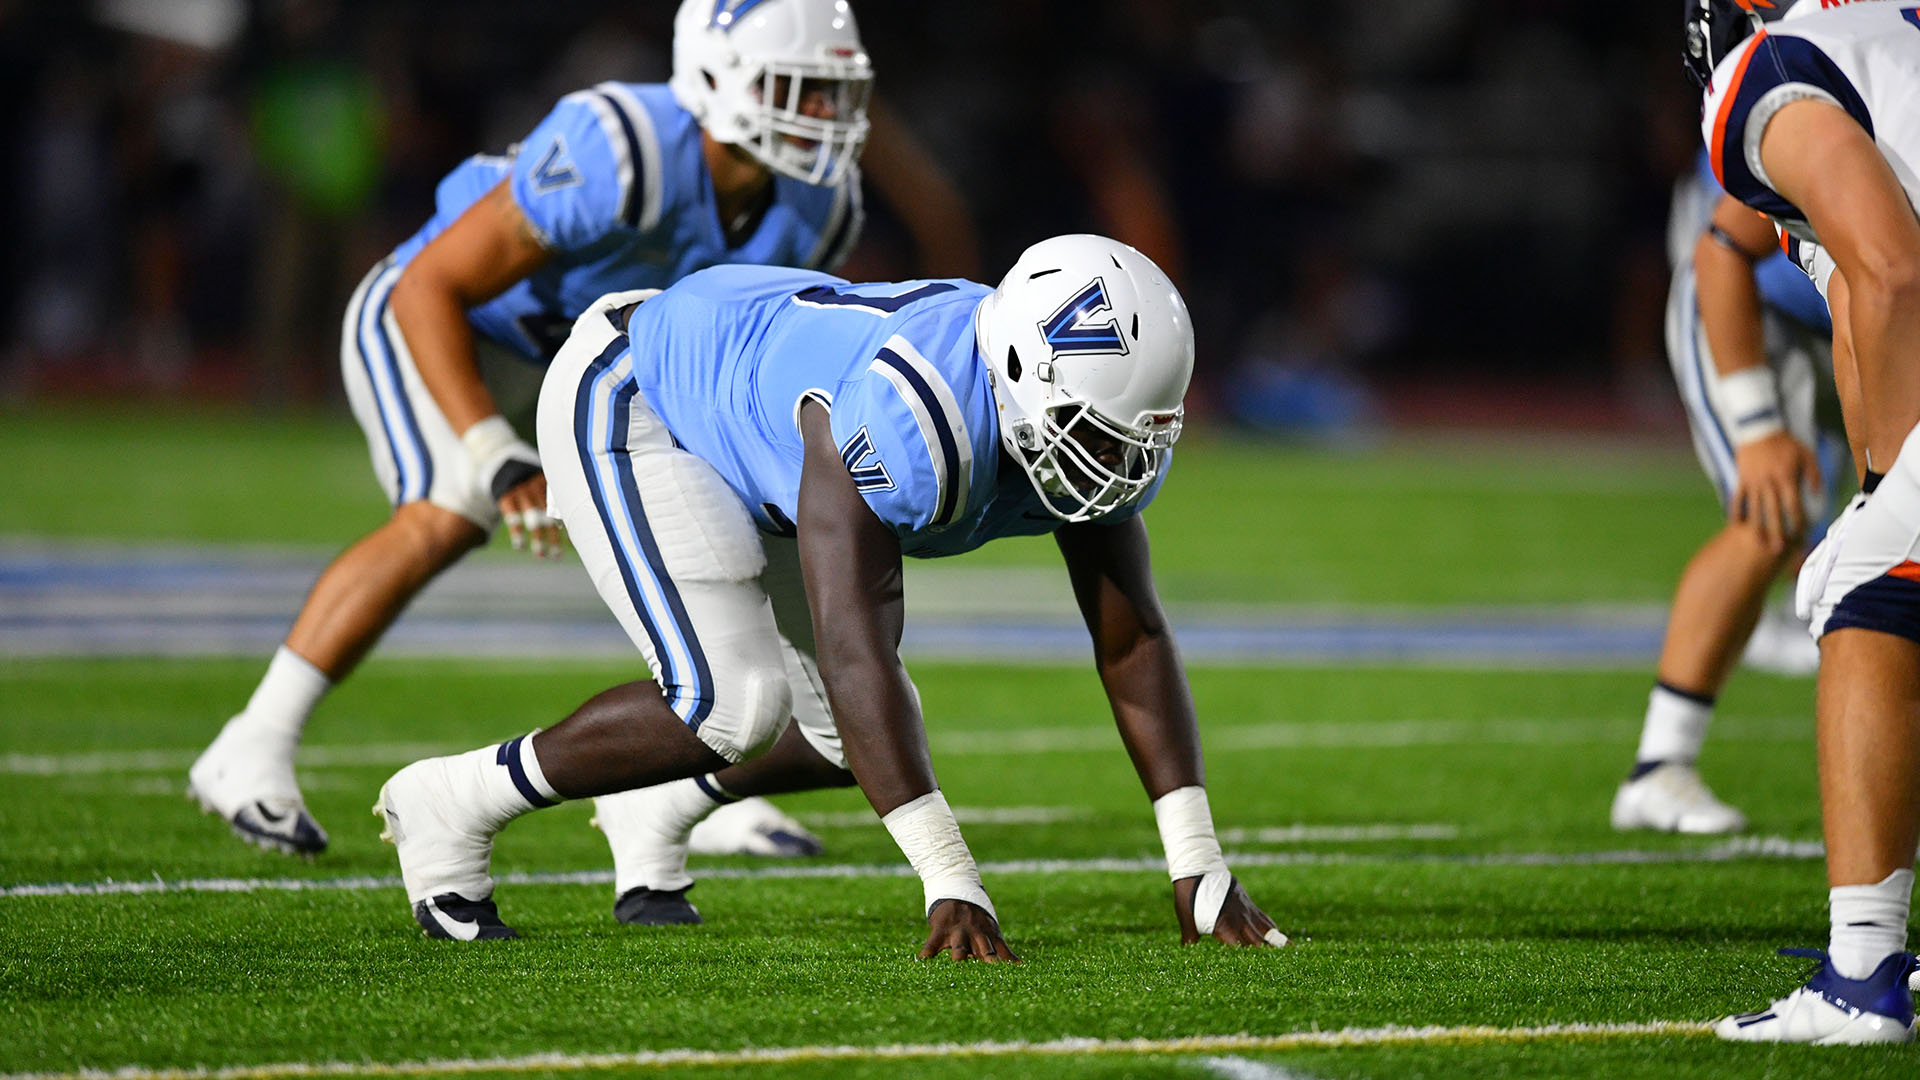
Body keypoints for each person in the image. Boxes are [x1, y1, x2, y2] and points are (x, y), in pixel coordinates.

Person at [372, 235, 1289, 958]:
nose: (1115, 466)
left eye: (1132, 441)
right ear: (1016, 373)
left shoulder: (1068, 419)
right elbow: (858, 651)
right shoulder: (910, 414)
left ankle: (652, 805)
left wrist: (1199, 865)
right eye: (1093, 432)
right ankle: (452, 798)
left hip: (759, 426)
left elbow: (1132, 640)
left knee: (836, 738)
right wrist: (950, 880)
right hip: (643, 396)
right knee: (732, 705)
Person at [188, 0, 872, 860]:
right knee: (449, 510)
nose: (825, 117)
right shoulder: (625, 147)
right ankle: (252, 741)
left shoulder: (821, 203)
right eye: (801, 90)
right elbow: (430, 284)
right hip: (452, 324)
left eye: (833, 94)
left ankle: (704, 772)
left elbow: (745, 352)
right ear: (715, 80)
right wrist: (491, 448)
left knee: (716, 530)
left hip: (599, 369)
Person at [1686, 0, 1920, 1043]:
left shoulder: (1772, 68)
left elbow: (1896, 270)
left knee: (1859, 588)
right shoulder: (1885, 52)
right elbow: (1864, 298)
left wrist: (1893, 479)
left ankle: (1862, 977)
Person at [1610, 150, 1843, 836]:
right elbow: (1722, 247)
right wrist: (1759, 426)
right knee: (1775, 515)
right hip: (1747, 305)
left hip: (1858, 328)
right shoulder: (1868, 106)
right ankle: (1659, 767)